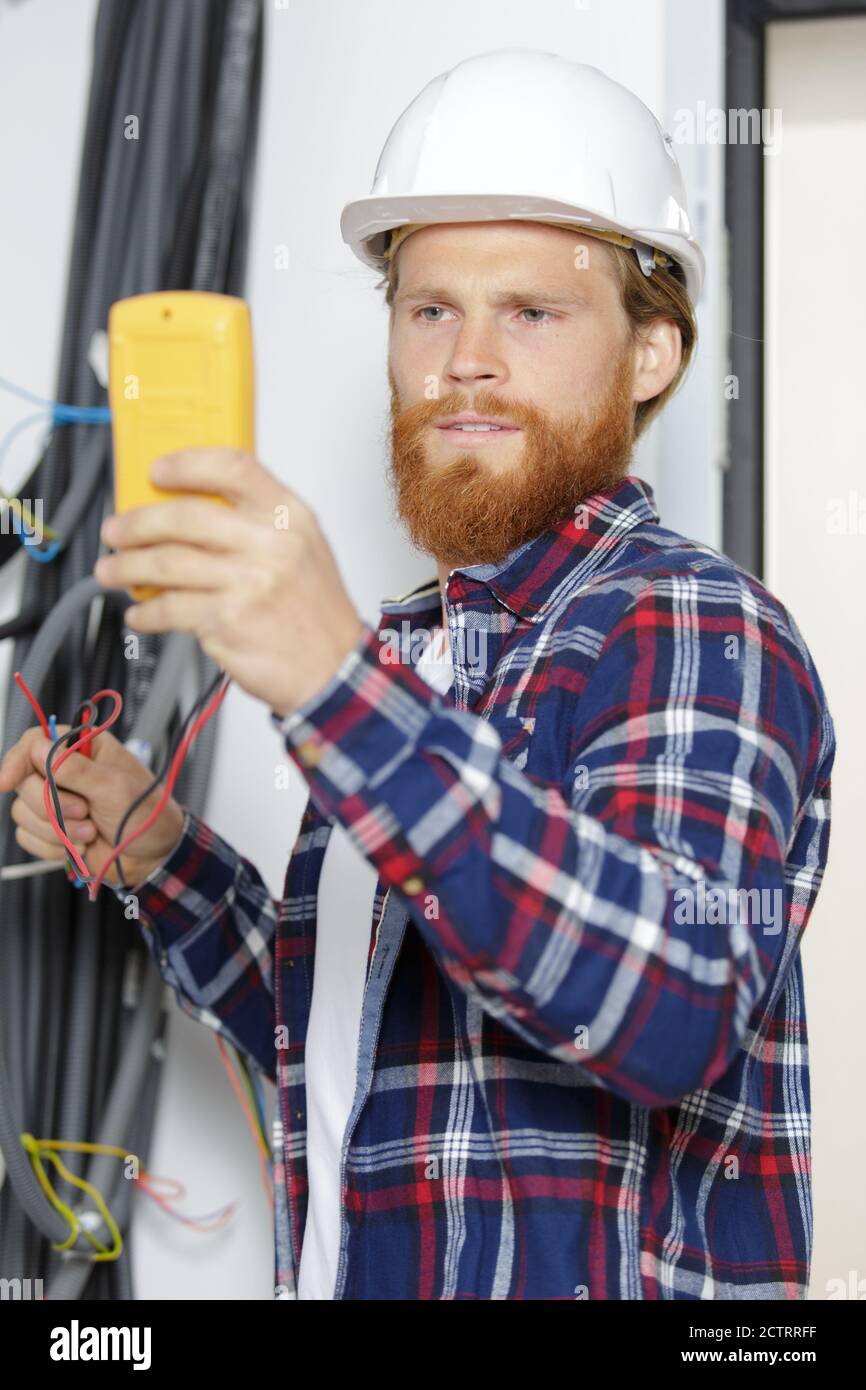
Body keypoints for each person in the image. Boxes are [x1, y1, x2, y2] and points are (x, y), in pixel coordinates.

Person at [0, 49, 835, 1300]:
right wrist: (160, 852)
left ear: (653, 353)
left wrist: (336, 681)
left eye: (532, 312)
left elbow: (669, 1002)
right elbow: (357, 1038)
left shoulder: (694, 624)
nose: (467, 360)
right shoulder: (407, 646)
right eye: (430, 308)